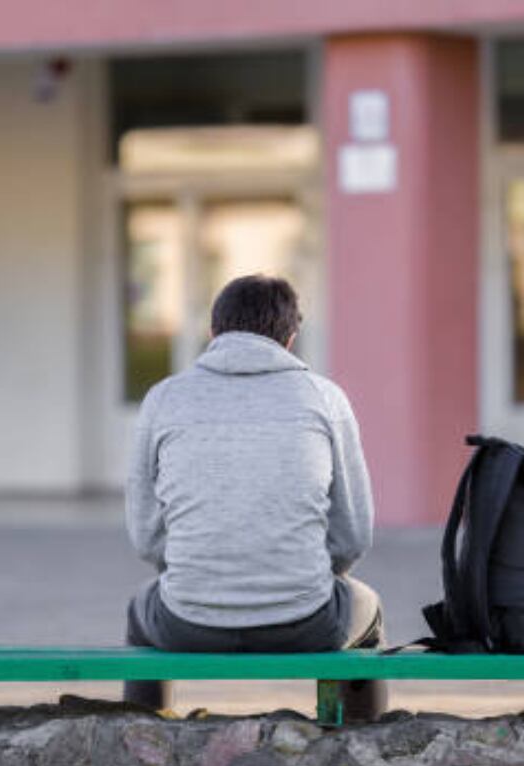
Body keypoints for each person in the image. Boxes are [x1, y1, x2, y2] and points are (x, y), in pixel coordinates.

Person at [122, 274, 386, 721]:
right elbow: (353, 536)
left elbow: (147, 538)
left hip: (187, 622)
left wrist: (204, 573)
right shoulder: (323, 399)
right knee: (370, 610)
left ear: (213, 333)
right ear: (290, 338)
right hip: (306, 621)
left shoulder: (163, 399)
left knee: (139, 611)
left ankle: (147, 744)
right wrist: (301, 575)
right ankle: (360, 745)